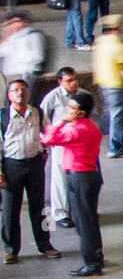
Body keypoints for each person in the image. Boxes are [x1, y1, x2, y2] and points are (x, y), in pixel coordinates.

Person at [40, 88, 102, 275]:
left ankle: (91, 263)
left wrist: (62, 122)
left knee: (83, 222)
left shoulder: (76, 130)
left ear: (80, 112)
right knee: (89, 220)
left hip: (79, 177)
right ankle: (96, 257)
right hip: (88, 175)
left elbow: (47, 139)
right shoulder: (91, 126)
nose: (67, 110)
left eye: (70, 108)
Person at [1, 79, 60, 264]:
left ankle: (45, 245)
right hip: (11, 167)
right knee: (10, 210)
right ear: (9, 95)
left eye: (23, 90)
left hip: (34, 165)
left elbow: (49, 133)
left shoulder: (37, 113)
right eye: (15, 90)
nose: (20, 93)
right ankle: (11, 250)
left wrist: (44, 150)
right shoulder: (2, 117)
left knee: (41, 207)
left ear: (28, 93)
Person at [39, 67, 78, 231]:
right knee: (60, 179)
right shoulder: (52, 98)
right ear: (60, 82)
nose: (74, 83)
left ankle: (77, 211)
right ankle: (60, 213)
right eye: (69, 80)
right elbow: (43, 119)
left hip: (78, 143)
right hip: (60, 144)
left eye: (75, 79)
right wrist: (48, 141)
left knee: (77, 178)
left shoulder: (81, 95)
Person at [93, 14, 123, 157]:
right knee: (117, 115)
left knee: (113, 113)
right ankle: (115, 148)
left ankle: (116, 146)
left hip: (103, 82)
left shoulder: (100, 41)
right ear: (117, 27)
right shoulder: (117, 44)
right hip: (115, 83)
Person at [0, 12, 44, 91]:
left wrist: (22, 66)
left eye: (14, 22)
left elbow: (38, 56)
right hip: (10, 76)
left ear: (24, 22)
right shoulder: (13, 37)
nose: (10, 26)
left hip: (25, 75)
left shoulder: (33, 36)